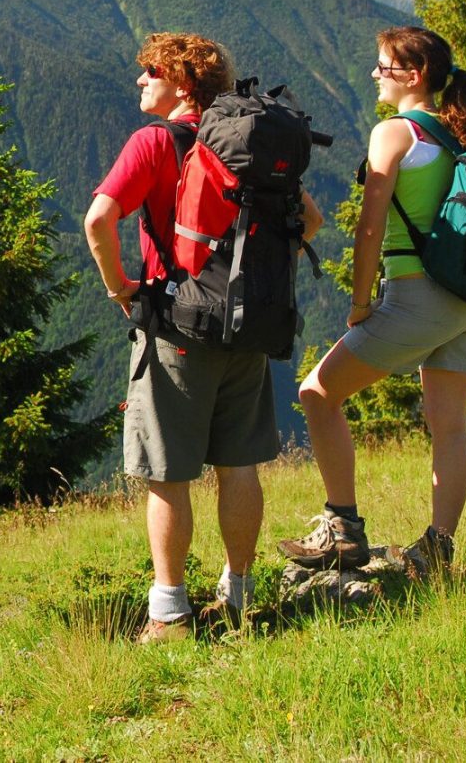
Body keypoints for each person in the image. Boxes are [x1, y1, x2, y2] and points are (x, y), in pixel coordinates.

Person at [85, 32, 320, 642]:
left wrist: (121, 289)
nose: (141, 80)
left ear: (183, 82)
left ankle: (169, 612)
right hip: (246, 327)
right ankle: (236, 594)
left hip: (176, 328)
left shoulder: (155, 142)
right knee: (238, 465)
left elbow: (98, 220)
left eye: (152, 70)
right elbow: (312, 221)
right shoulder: (244, 142)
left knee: (168, 472)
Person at [281, 25, 466, 573]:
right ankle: (437, 549)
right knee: (448, 423)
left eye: (383, 66)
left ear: (413, 74)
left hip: (419, 295)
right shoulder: (458, 132)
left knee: (317, 394)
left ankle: (342, 530)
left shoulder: (395, 134)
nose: (375, 75)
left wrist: (359, 305)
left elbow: (370, 229)